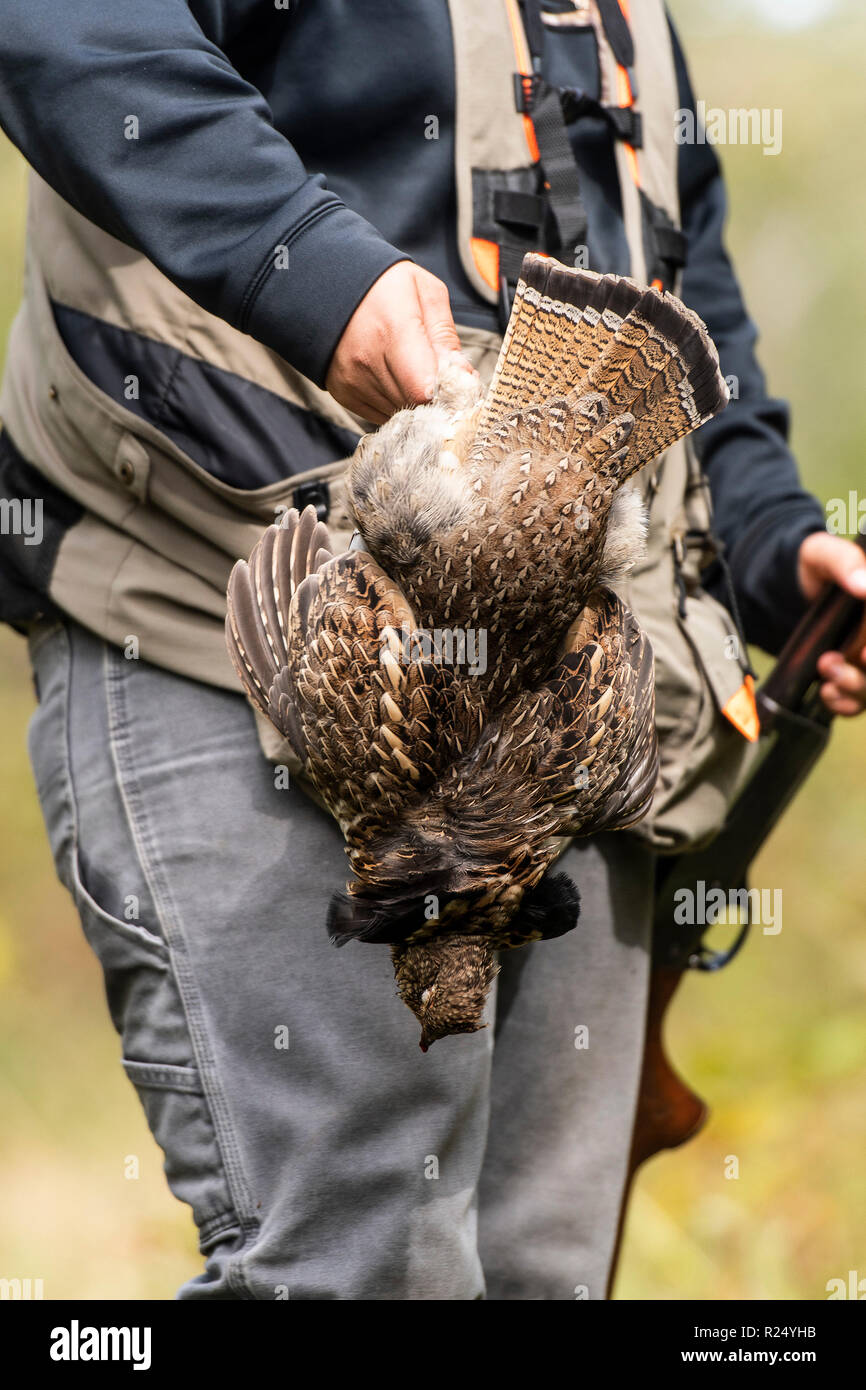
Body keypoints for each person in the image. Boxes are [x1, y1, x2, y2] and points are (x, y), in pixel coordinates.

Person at [0, 1, 864, 1301]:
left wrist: (763, 534)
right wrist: (302, 261)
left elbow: (667, 249)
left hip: (581, 689)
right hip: (221, 618)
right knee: (360, 1266)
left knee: (538, 1275)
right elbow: (72, 27)